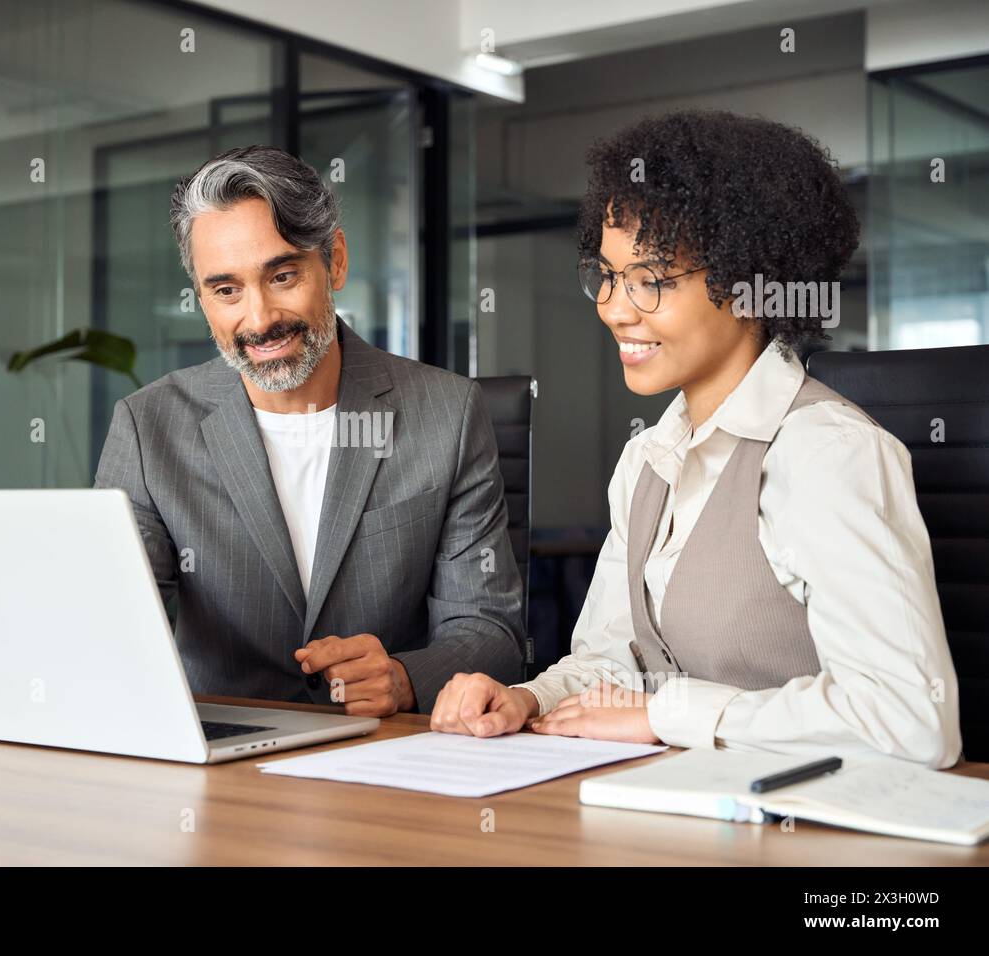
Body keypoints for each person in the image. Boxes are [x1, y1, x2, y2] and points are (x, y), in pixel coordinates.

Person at [431, 110, 961, 767]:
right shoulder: (646, 460)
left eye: (650, 281)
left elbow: (911, 719)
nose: (615, 308)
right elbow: (613, 654)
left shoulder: (826, 454)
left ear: (748, 286)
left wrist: (665, 714)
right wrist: (529, 700)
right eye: (607, 274)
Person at [94, 145, 524, 717]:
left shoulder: (447, 414)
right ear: (202, 298)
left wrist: (402, 678)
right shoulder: (150, 428)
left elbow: (493, 633)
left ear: (336, 261)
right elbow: (109, 619)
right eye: (226, 291)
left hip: (382, 754)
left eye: (283, 275)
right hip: (224, 760)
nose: (260, 317)